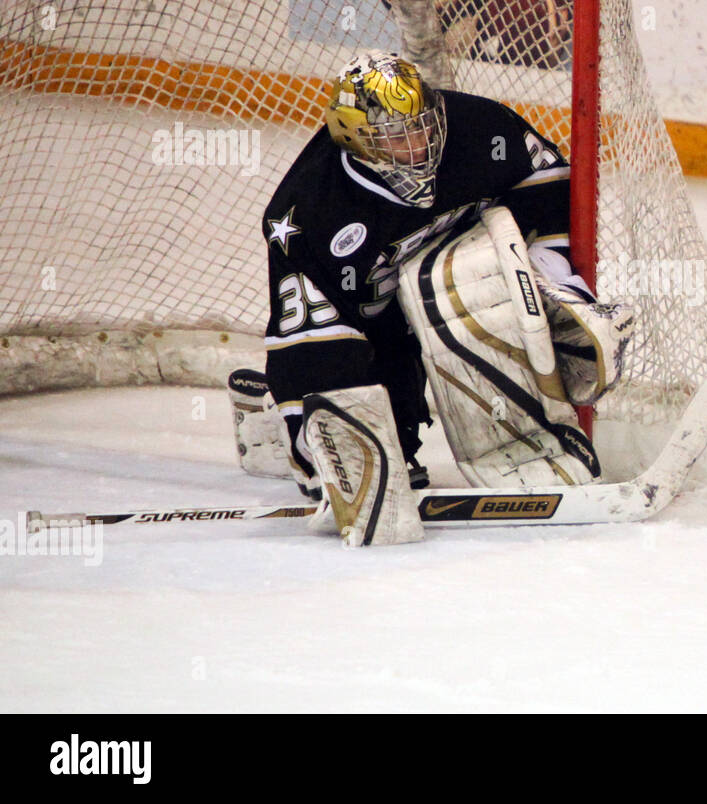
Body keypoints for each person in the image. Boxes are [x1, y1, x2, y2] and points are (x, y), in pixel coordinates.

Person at [250, 50, 630, 506]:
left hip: (437, 290)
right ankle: (277, 423)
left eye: (422, 127)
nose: (418, 147)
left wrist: (550, 274)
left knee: (484, 293)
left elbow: (546, 186)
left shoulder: (477, 127)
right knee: (382, 441)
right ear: (354, 138)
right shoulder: (309, 212)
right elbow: (310, 342)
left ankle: (532, 426)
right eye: (394, 138)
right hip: (368, 330)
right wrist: (324, 433)